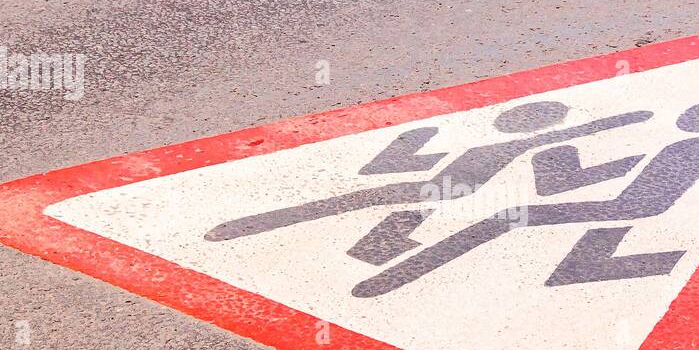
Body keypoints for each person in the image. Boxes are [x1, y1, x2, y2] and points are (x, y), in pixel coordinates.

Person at [350, 97, 699, 297]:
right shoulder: (690, 145)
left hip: (635, 206)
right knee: (505, 213)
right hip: (625, 202)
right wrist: (603, 166)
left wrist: (609, 162)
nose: (690, 118)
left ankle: (387, 275)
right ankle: (383, 261)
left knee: (509, 215)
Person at [204, 99, 651, 244]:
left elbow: (559, 163)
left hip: (448, 185)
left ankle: (255, 225)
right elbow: (557, 171)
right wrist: (619, 150)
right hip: (455, 187)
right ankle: (254, 225)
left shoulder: (508, 140)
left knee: (375, 200)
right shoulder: (529, 141)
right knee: (396, 203)